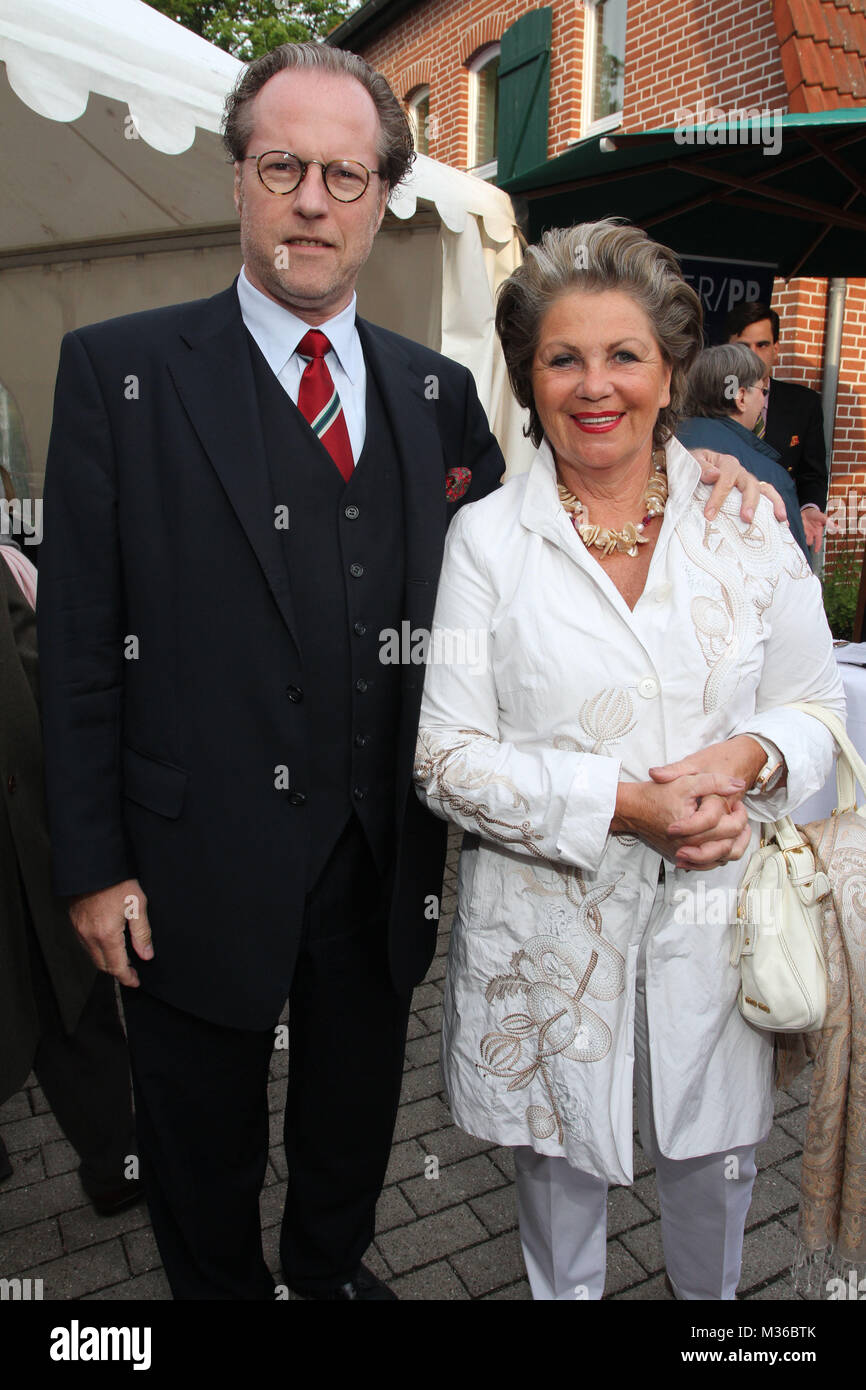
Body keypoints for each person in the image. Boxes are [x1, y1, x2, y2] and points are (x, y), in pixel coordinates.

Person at [37, 45, 775, 1302]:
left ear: (382, 194)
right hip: (186, 860)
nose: (313, 201)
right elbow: (77, 646)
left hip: (380, 864)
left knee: (348, 1133)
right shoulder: (122, 373)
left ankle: (324, 1279)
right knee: (199, 1146)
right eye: (284, 167)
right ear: (239, 180)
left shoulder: (435, 394)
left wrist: (700, 465)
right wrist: (94, 864)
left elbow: (541, 541)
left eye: (345, 173)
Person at [413, 219, 845, 1301]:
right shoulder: (485, 540)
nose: (592, 385)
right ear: (527, 378)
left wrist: (746, 754)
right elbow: (443, 757)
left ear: (667, 375)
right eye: (563, 358)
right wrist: (622, 803)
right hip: (545, 934)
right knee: (557, 1189)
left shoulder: (745, 523)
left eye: (623, 357)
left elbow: (817, 705)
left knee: (715, 1172)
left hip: (719, 921)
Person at [0, 555, 139, 1216]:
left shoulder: (4, 571)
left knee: (70, 995)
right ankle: (114, 1160)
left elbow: (42, 684)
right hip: (30, 831)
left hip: (27, 837)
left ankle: (115, 1161)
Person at [678, 343, 809, 556]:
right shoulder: (771, 475)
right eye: (762, 390)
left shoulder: (659, 443)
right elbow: (796, 568)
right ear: (740, 397)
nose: (763, 399)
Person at [726, 300, 828, 552]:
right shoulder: (705, 403)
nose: (753, 355)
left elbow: (812, 474)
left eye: (762, 345)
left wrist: (808, 509)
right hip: (723, 537)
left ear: (776, 349)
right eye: (743, 346)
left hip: (781, 536)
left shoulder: (804, 404)